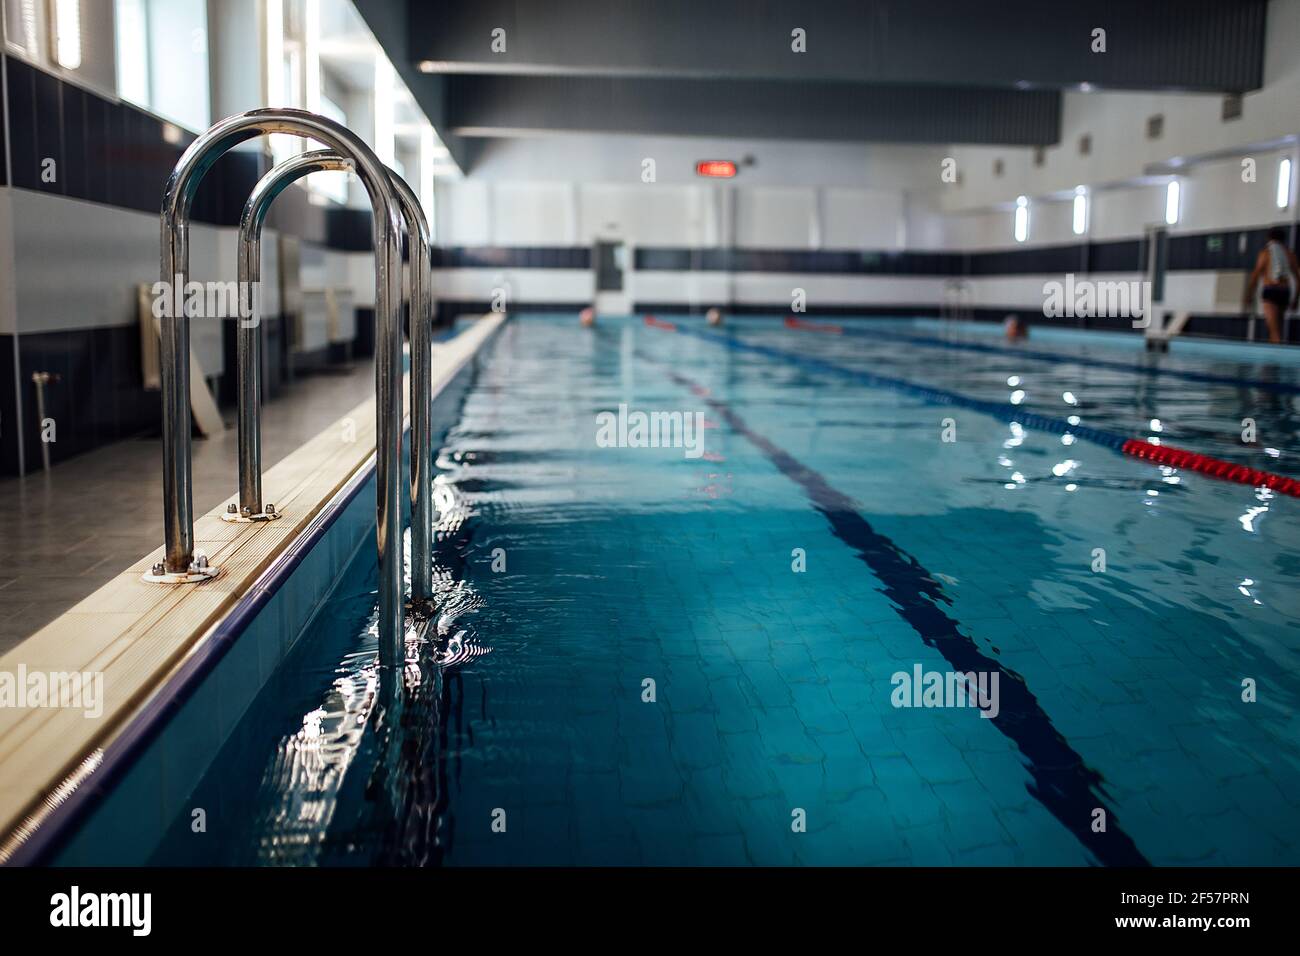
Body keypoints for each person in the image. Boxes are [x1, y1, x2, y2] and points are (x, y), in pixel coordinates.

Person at [1244, 227, 1299, 344]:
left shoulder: (1265, 253)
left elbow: (1255, 275)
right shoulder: (1290, 254)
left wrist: (1249, 294)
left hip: (1271, 290)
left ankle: (1277, 358)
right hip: (1285, 291)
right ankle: (1274, 355)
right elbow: (1298, 278)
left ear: (1269, 238)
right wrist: (1296, 299)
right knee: (1278, 327)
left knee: (1274, 330)